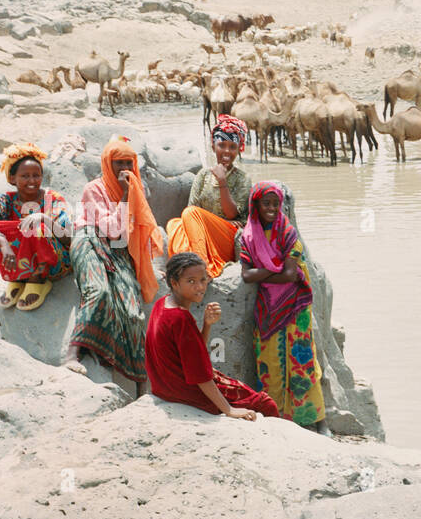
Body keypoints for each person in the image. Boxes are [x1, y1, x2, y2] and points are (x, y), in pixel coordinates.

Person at [67, 136, 164, 384]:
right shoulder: (94, 189)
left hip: (118, 252)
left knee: (133, 312)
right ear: (107, 164)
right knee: (98, 291)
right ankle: (73, 352)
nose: (124, 170)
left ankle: (136, 377)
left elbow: (135, 231)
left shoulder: (135, 190)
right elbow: (112, 229)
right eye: (118, 163)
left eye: (128, 164)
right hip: (90, 239)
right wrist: (123, 195)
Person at [145, 252, 280, 420]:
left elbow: (192, 353)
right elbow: (199, 374)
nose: (200, 287)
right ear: (174, 283)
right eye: (191, 281)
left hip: (164, 386)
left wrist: (207, 325)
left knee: (239, 387)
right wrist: (229, 410)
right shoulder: (180, 318)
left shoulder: (163, 304)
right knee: (265, 403)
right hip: (184, 391)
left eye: (203, 280)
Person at [236, 181, 327, 430]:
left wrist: (262, 272)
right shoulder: (249, 236)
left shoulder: (287, 233)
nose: (272, 208)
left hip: (296, 305)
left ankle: (316, 419)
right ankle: (275, 415)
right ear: (255, 204)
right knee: (270, 361)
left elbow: (289, 276)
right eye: (267, 203)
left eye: (276, 204)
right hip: (268, 306)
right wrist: (275, 271)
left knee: (302, 361)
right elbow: (246, 275)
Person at [0, 143, 72, 312]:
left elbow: (68, 237)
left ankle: (38, 280)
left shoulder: (53, 199)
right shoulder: (7, 199)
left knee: (36, 228)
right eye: (25, 176)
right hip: (18, 260)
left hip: (55, 263)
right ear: (12, 179)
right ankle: (18, 278)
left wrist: (43, 219)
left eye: (36, 175)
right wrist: (2, 241)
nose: (32, 181)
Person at [165, 114, 253, 278]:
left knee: (190, 213)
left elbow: (233, 215)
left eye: (232, 147)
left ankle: (202, 265)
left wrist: (222, 182)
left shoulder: (243, 179)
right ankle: (184, 263)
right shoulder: (203, 175)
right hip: (202, 235)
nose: (227, 151)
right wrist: (202, 222)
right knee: (174, 224)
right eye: (222, 145)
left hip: (228, 238)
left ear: (238, 149)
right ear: (213, 147)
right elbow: (190, 214)